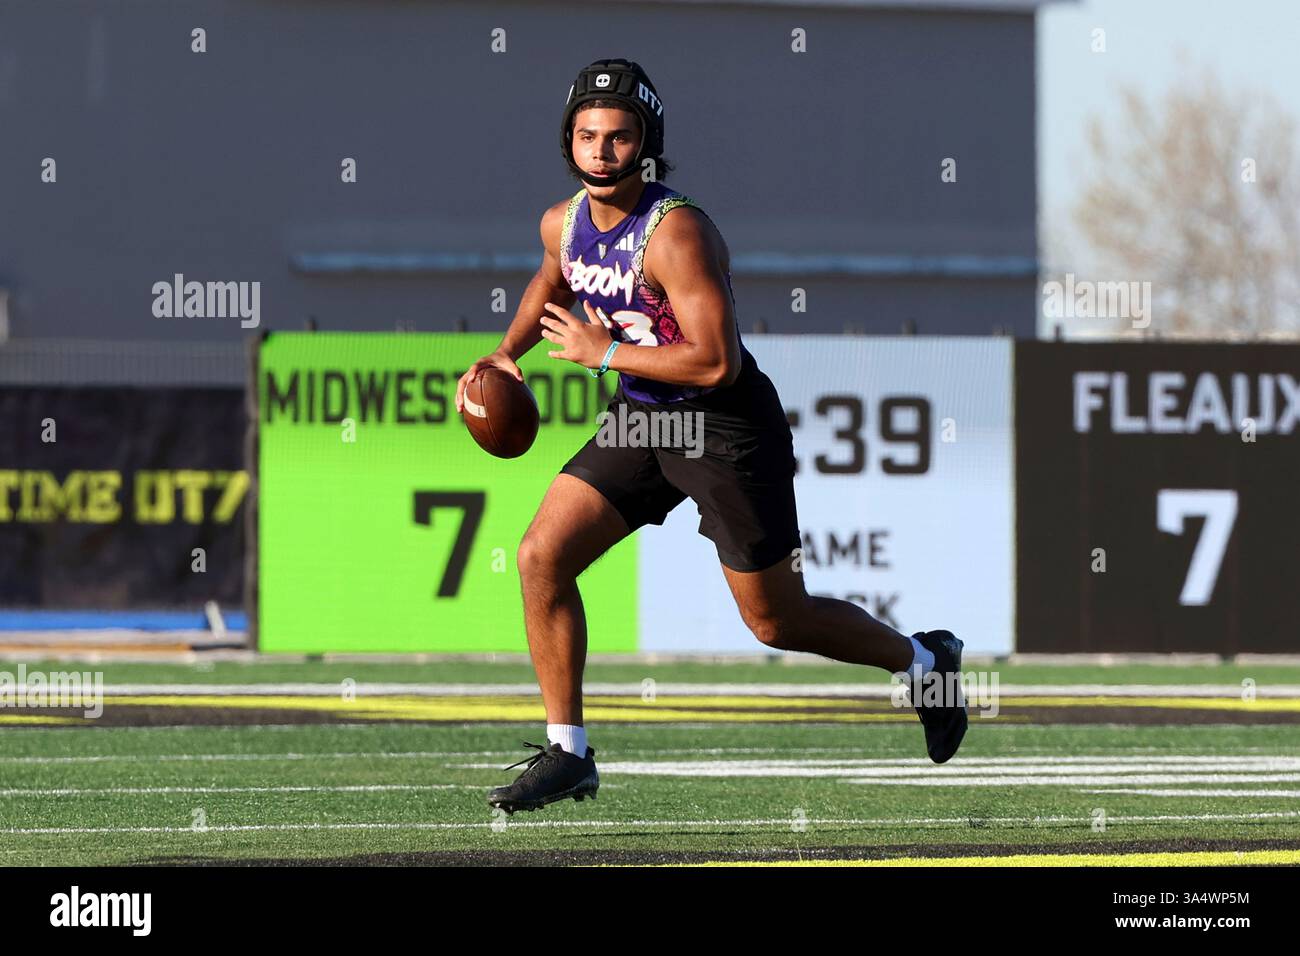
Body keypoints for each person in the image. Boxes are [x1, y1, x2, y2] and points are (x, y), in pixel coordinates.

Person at [454, 59, 967, 814]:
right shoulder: (560, 221)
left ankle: (927, 661)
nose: (601, 151)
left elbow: (718, 362)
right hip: (642, 416)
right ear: (569, 140)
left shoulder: (677, 232)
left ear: (647, 145)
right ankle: (569, 751)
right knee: (540, 556)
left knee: (774, 620)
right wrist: (507, 351)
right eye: (588, 135)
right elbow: (552, 278)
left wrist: (605, 354)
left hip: (724, 426)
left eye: (620, 137)